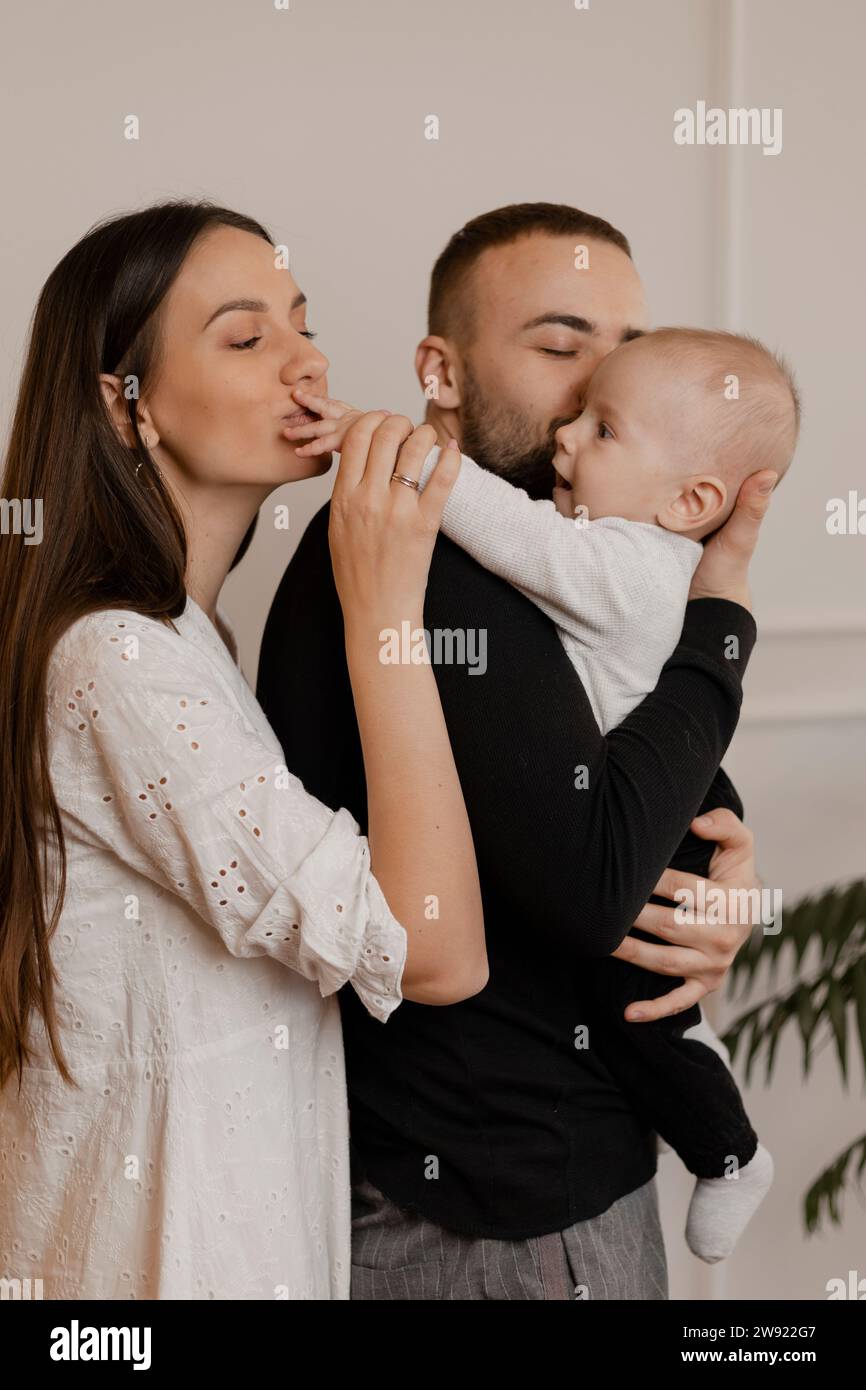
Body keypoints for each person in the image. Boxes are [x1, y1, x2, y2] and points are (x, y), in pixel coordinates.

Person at [257, 203, 775, 1300]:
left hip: (520, 1188)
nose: (599, 389)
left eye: (624, 352)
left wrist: (709, 884)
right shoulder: (438, 562)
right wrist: (722, 623)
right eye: (558, 344)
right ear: (438, 371)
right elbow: (595, 886)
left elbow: (607, 794)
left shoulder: (541, 558)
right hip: (499, 1218)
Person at [0, 199, 487, 1300]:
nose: (305, 362)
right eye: (245, 335)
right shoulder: (119, 660)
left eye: (301, 323)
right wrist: (384, 608)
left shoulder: (191, 638)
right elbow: (435, 951)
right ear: (123, 409)